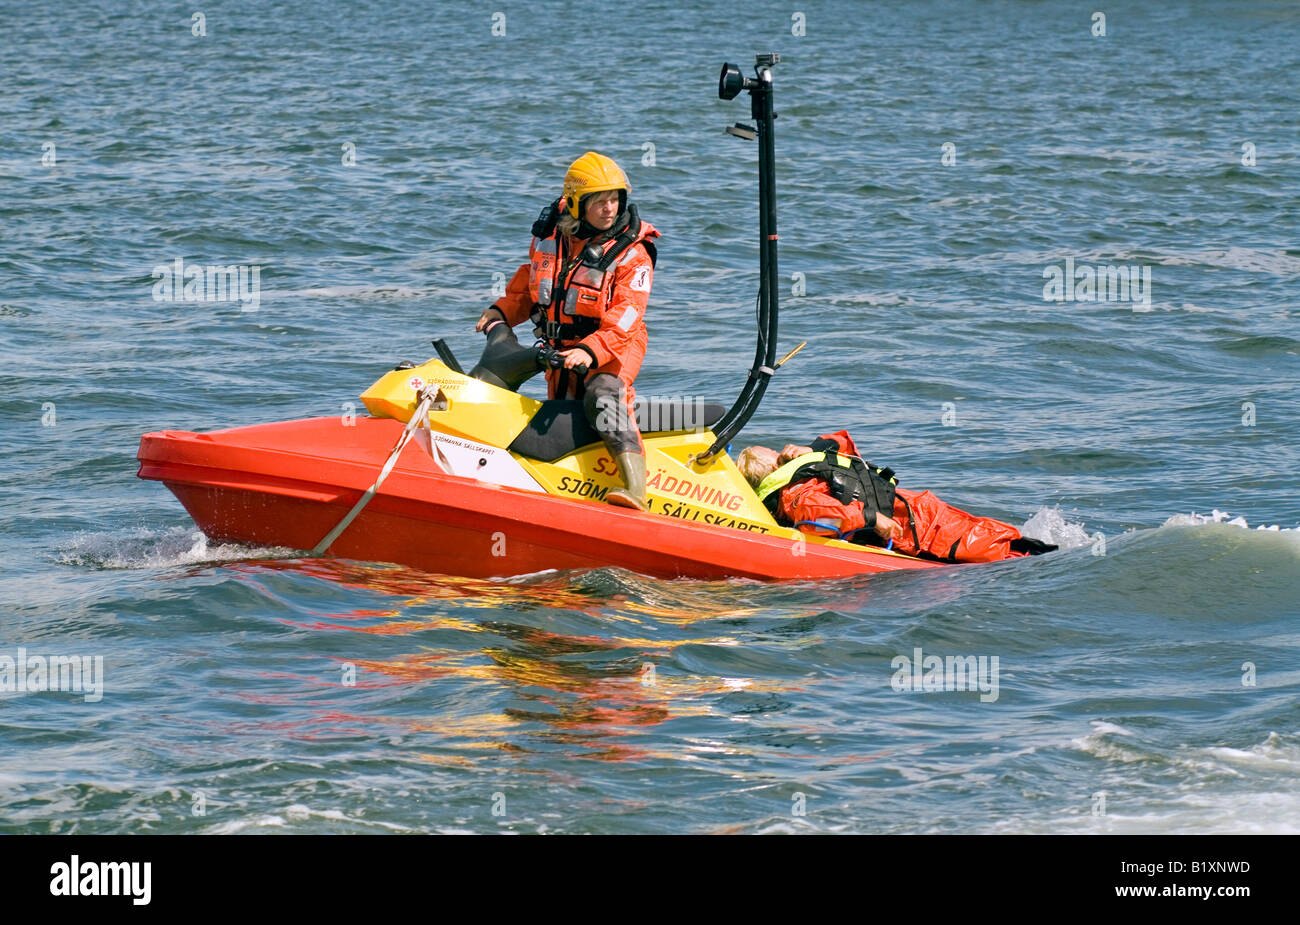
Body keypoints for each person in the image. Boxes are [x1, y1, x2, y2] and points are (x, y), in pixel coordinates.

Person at [476, 152, 660, 511]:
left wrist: (591, 351)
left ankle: (636, 488)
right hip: (561, 346)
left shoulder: (633, 255)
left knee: (602, 395)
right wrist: (499, 312)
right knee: (562, 408)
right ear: (577, 203)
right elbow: (528, 291)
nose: (609, 209)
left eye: (614, 199)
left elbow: (627, 315)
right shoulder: (552, 238)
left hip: (615, 344)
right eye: (599, 201)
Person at [737, 430, 1056, 563]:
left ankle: (1049, 552)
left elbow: (845, 444)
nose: (784, 452)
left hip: (924, 516)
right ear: (772, 469)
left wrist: (811, 448)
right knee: (1012, 553)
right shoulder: (795, 492)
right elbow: (821, 518)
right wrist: (874, 520)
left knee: (1016, 544)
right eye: (777, 454)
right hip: (923, 533)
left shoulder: (801, 474)